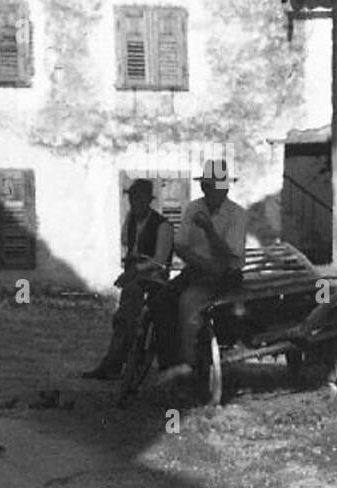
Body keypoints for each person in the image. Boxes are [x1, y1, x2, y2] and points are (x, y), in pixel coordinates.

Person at [153, 159, 247, 384]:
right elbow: (181, 245)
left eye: (215, 186)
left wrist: (209, 230)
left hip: (226, 275)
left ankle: (190, 363)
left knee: (189, 301)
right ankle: (169, 362)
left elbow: (228, 257)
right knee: (160, 299)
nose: (210, 191)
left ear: (224, 188)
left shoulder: (237, 214)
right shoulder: (194, 207)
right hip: (198, 269)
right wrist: (201, 264)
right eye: (207, 186)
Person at [81, 179, 173, 380]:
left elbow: (160, 261)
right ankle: (119, 358)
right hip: (134, 277)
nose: (135, 202)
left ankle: (122, 359)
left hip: (155, 279)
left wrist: (135, 270)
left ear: (149, 200)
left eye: (140, 198)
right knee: (124, 317)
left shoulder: (163, 226)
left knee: (130, 312)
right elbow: (127, 243)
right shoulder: (131, 220)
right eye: (132, 198)